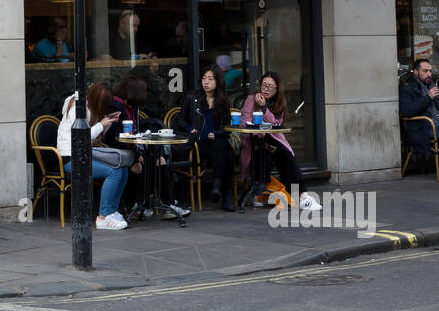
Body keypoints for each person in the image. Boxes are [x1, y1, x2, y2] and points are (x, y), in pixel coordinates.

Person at [57, 81, 135, 230]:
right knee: (114, 171)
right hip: (70, 159)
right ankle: (103, 217)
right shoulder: (77, 108)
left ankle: (112, 212)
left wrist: (108, 122)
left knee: (123, 168)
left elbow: (93, 136)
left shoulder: (88, 106)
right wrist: (101, 124)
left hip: (82, 155)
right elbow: (80, 138)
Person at [113, 75, 189, 219]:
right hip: (120, 150)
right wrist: (136, 155)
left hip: (133, 147)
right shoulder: (116, 106)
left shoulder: (133, 107)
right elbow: (114, 138)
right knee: (146, 162)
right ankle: (137, 204)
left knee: (159, 159)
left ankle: (166, 205)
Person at [175, 66, 236, 209]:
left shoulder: (223, 101)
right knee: (227, 153)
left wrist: (216, 134)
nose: (206, 82)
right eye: (204, 78)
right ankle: (224, 193)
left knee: (228, 152)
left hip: (215, 141)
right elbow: (180, 121)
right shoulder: (192, 98)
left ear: (218, 82)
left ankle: (219, 189)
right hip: (198, 144)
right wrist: (191, 129)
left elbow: (227, 127)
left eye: (210, 79)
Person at [238, 71, 300, 205]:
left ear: (277, 90)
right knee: (264, 156)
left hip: (273, 142)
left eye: (270, 87)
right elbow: (245, 123)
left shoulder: (279, 103)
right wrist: (258, 133)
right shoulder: (251, 99)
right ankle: (258, 192)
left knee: (286, 156)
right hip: (253, 142)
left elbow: (276, 124)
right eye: (264, 85)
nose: (266, 89)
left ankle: (295, 193)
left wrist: (264, 108)